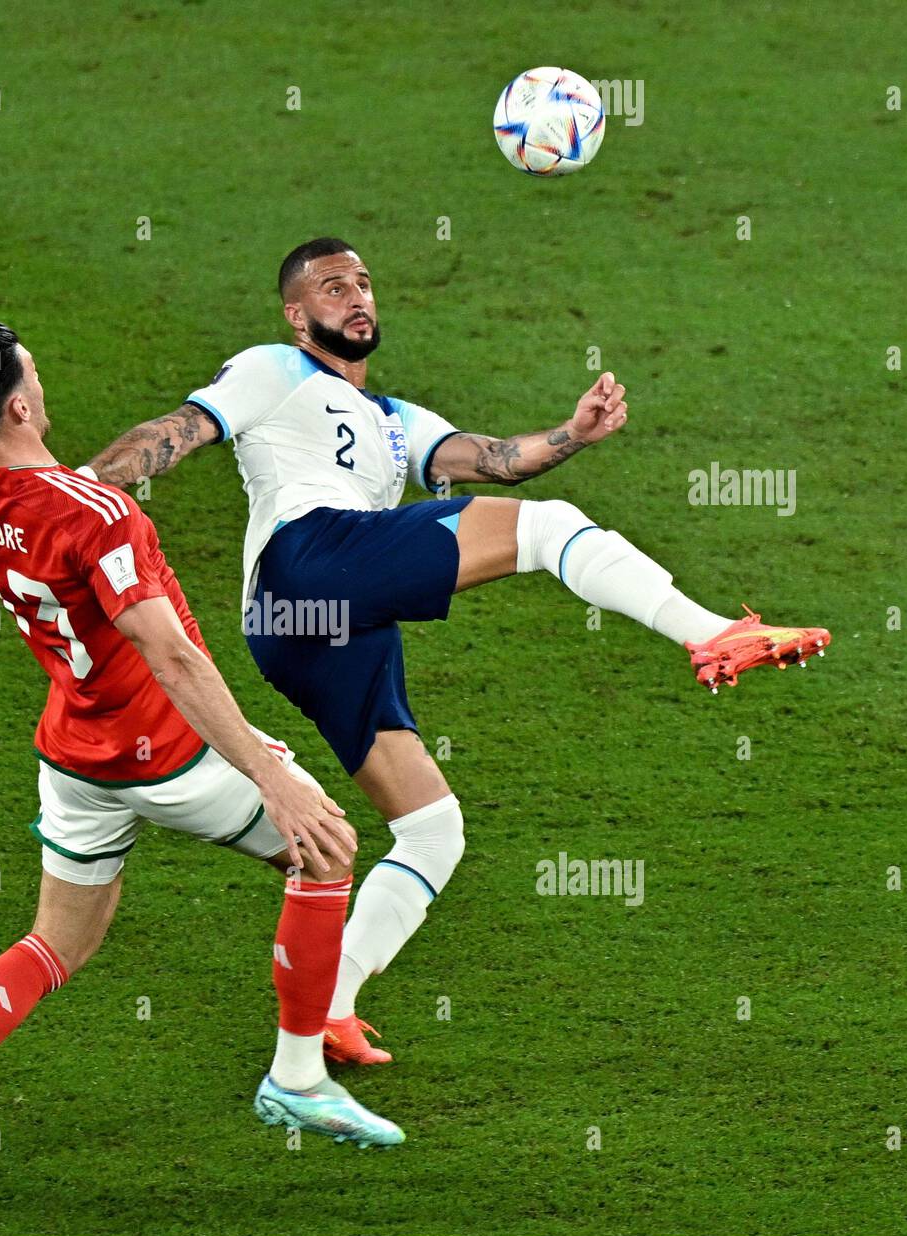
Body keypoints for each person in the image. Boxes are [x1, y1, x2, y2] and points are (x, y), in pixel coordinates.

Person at [84, 237, 831, 1065]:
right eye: (333, 288)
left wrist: (574, 433)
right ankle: (711, 632)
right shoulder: (273, 369)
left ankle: (328, 1008)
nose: (357, 297)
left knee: (434, 830)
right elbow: (177, 432)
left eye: (364, 283)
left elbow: (494, 462)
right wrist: (76, 491)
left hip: (301, 631)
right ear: (298, 316)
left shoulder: (395, 421)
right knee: (549, 529)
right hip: (307, 562)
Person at [0, 319, 403, 1208]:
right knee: (324, 850)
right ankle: (295, 1080)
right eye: (33, 368)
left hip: (73, 758)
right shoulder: (102, 517)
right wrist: (270, 775)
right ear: (20, 402)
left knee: (54, 942)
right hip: (166, 755)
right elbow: (172, 659)